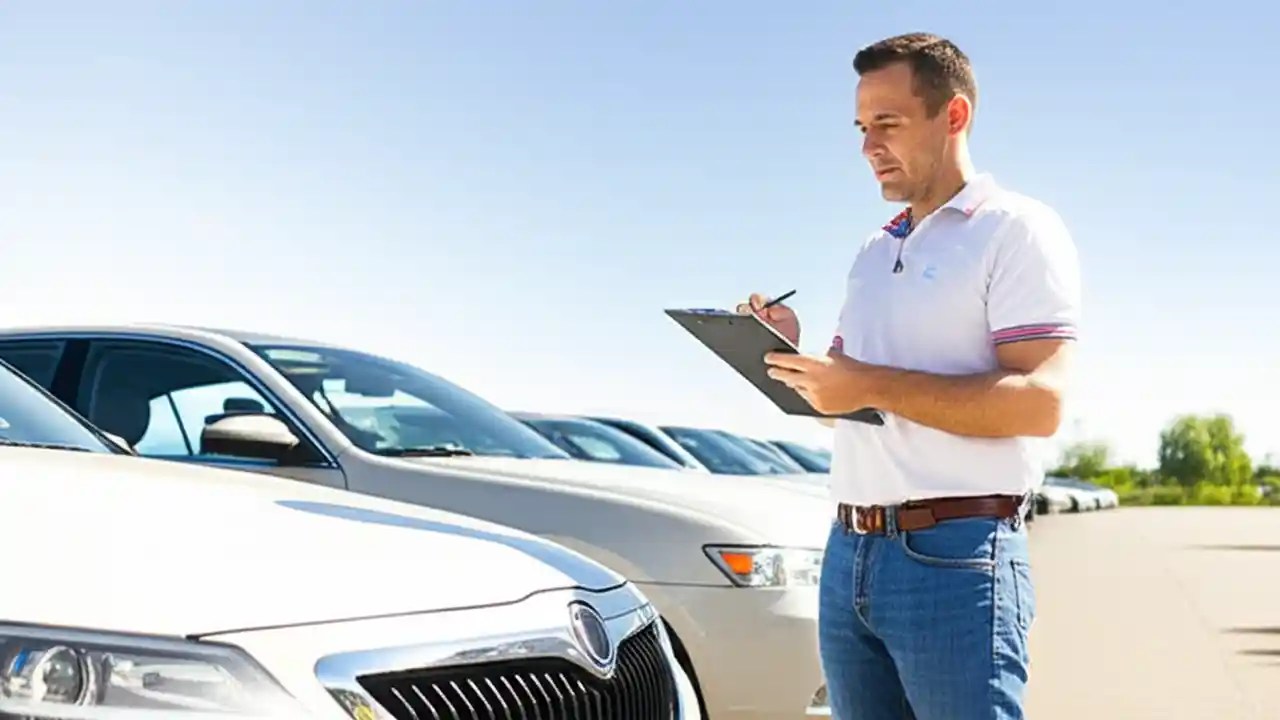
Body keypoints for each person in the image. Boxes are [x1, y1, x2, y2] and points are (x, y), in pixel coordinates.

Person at [742, 32, 1080, 720]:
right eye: (861, 127)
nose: (868, 146)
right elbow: (849, 400)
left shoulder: (1015, 229)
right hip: (848, 554)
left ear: (953, 115)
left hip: (954, 559)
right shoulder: (873, 251)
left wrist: (867, 383)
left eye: (888, 124)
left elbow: (1039, 403)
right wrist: (789, 356)